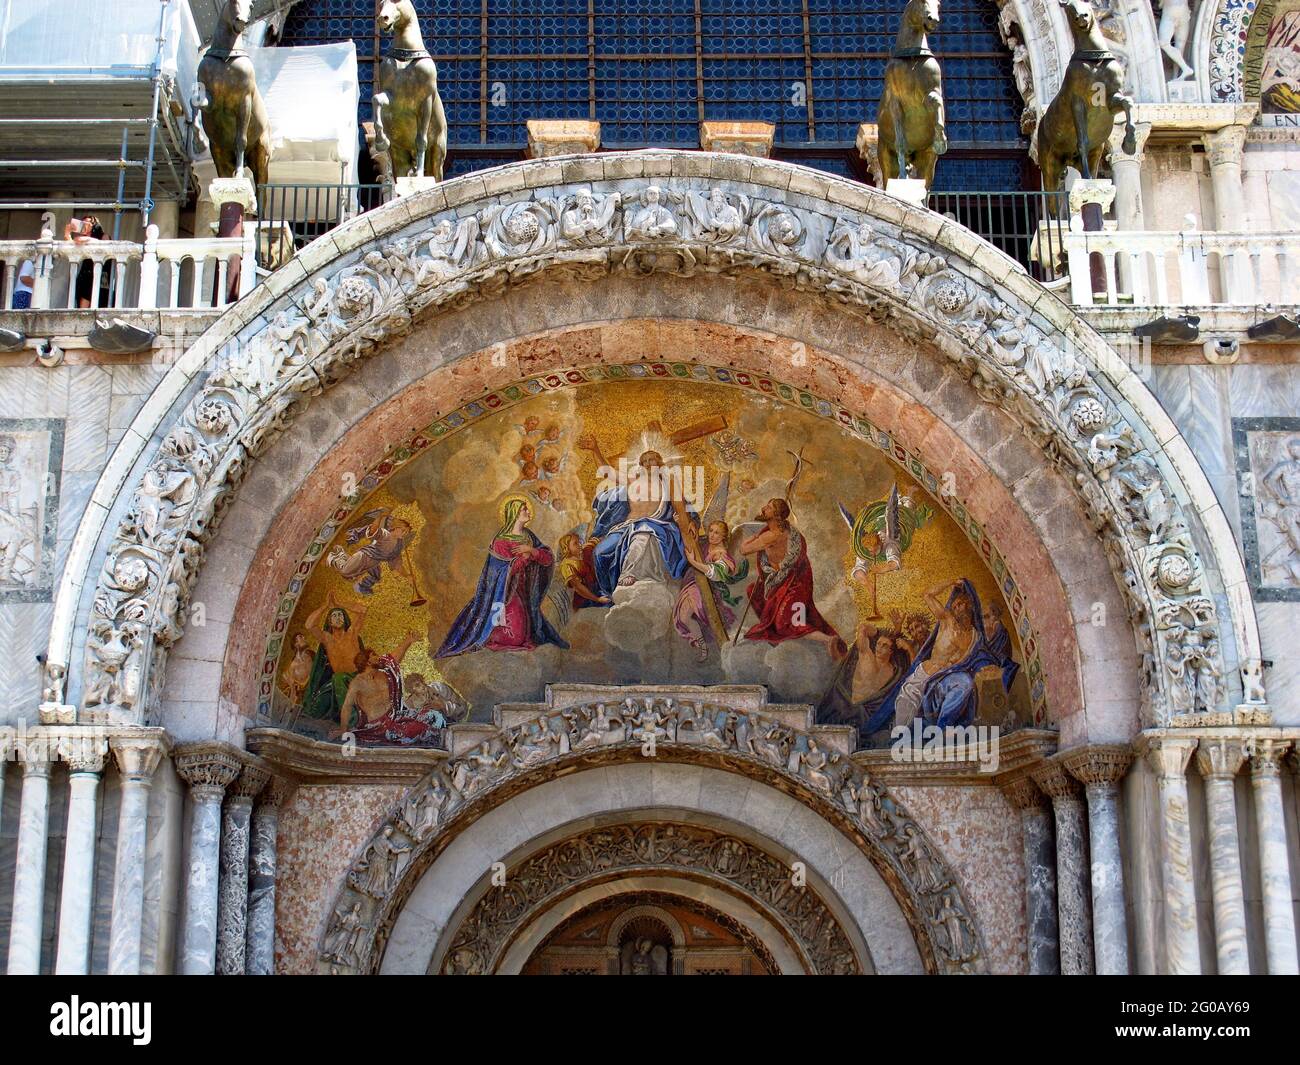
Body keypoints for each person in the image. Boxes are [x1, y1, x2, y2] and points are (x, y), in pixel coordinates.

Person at [436, 496, 569, 656]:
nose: (528, 511)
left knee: (528, 633)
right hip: (503, 596)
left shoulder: (529, 537)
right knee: (515, 638)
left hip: (525, 592)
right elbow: (501, 572)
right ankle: (489, 634)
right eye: (523, 509)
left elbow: (547, 559)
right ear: (514, 514)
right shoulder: (500, 542)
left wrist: (532, 550)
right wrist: (525, 557)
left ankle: (495, 632)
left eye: (527, 508)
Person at [64, 214, 106, 309]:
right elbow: (71, 247)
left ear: (93, 224)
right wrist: (67, 232)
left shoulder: (103, 236)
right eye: (82, 223)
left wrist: (87, 238)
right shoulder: (81, 240)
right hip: (85, 274)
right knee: (82, 302)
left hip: (100, 274)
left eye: (86, 222)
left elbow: (105, 242)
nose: (84, 225)